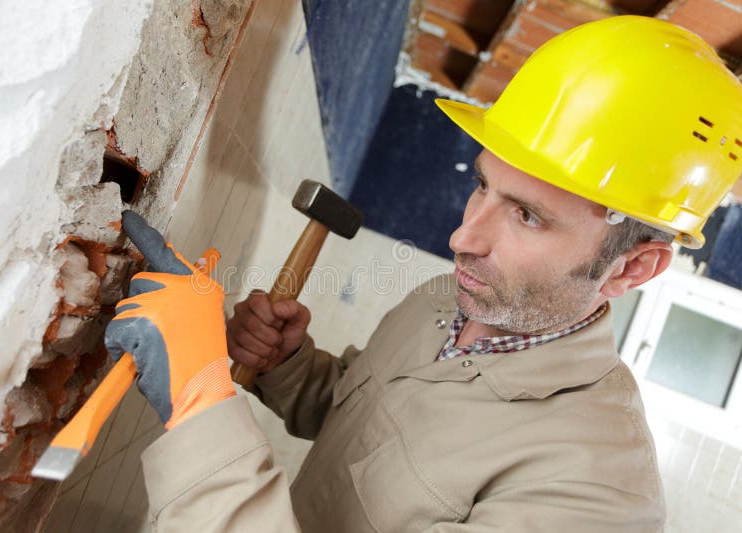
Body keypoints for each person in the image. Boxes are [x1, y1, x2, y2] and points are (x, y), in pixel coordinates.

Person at [104, 16, 742, 532]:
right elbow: (359, 423)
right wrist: (287, 364)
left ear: (633, 267)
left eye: (527, 216)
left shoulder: (597, 496)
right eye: (483, 186)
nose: (463, 239)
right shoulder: (448, 299)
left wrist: (199, 404)